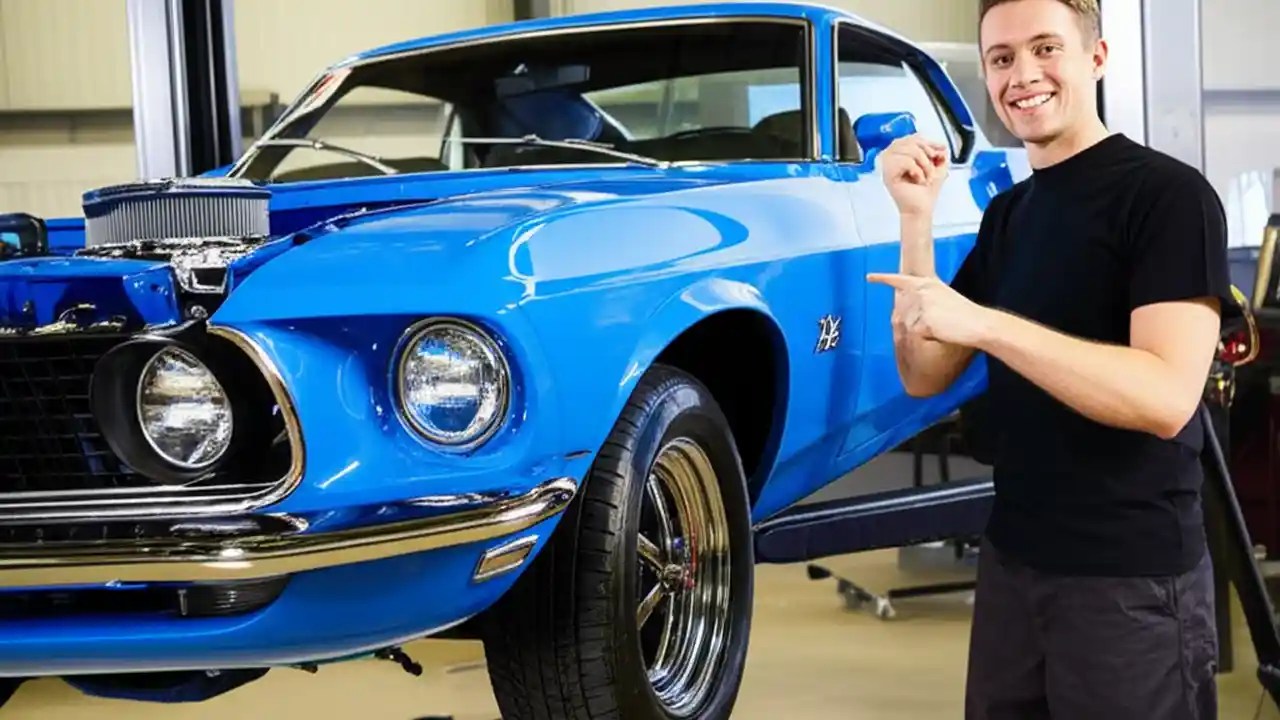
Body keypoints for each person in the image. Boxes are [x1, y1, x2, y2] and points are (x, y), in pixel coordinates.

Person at [866, 0, 1233, 718]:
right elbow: (924, 373)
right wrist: (914, 217)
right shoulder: (1013, 214)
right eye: (1001, 58)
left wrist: (991, 326)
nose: (1021, 75)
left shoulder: (1167, 197)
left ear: (1095, 58)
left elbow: (1164, 398)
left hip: (1129, 584)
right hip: (1014, 563)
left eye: (1044, 49)